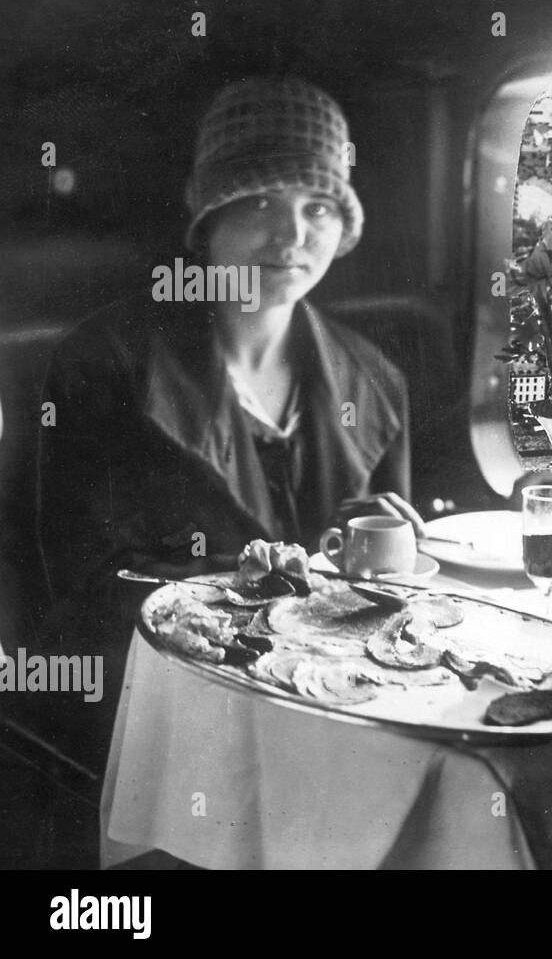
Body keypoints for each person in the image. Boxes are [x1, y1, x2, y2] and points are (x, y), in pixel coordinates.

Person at [33, 76, 421, 767]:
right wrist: (245, 586)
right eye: (264, 199)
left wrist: (364, 550)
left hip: (331, 702)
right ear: (205, 210)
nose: (293, 235)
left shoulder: (377, 383)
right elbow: (83, 583)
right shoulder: (107, 363)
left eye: (320, 206)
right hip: (161, 705)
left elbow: (382, 609)